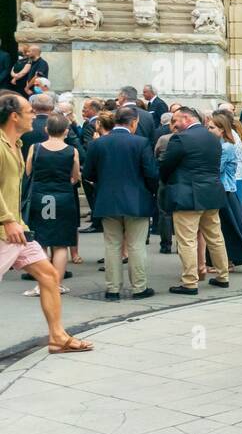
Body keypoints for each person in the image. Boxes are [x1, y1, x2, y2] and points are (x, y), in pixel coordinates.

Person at [0, 95, 92, 353]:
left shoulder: (17, 144)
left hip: (18, 230)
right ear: (14, 116)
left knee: (50, 276)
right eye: (29, 111)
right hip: (6, 230)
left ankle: (57, 337)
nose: (35, 117)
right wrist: (7, 220)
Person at [81, 104, 157, 300]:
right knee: (136, 246)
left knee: (112, 245)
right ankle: (139, 288)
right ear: (134, 122)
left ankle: (112, 288)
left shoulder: (98, 144)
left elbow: (88, 173)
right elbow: (151, 173)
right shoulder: (141, 142)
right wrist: (151, 191)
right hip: (137, 200)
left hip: (108, 200)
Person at [158, 106, 229, 295]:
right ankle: (223, 276)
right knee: (215, 237)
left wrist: (165, 181)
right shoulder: (213, 138)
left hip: (186, 195)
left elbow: (166, 166)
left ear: (187, 118)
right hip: (211, 193)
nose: (174, 124)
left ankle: (190, 281)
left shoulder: (180, 139)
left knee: (187, 240)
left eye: (176, 120)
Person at [22, 110, 79, 297]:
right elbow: (75, 177)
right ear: (66, 131)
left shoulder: (35, 148)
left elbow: (28, 172)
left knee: (40, 243)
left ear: (46, 129)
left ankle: (42, 285)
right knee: (61, 244)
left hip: (40, 196)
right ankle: (57, 285)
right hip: (63, 197)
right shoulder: (72, 151)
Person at [207, 111, 242, 267]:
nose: (208, 130)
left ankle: (227, 262)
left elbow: (216, 168)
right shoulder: (220, 144)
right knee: (224, 228)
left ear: (221, 129)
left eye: (211, 127)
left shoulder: (226, 146)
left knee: (227, 229)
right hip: (223, 189)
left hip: (225, 190)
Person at [153, 112, 175, 253]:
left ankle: (165, 245)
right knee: (181, 213)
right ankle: (182, 245)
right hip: (180, 179)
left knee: (164, 213)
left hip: (165, 179)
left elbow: (155, 154)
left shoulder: (163, 139)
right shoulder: (187, 139)